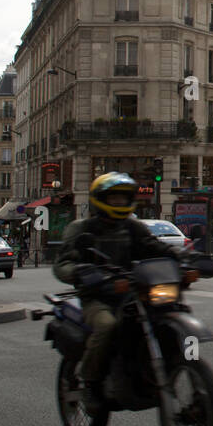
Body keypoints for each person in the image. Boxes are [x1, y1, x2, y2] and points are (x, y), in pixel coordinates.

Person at [55, 173, 181, 411]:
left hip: (131, 291)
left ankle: (173, 365)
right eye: (114, 199)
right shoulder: (82, 229)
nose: (119, 204)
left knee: (169, 313)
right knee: (107, 325)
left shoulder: (133, 227)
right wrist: (80, 272)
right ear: (100, 199)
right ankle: (90, 383)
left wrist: (181, 256)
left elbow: (154, 246)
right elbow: (62, 264)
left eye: (123, 199)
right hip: (97, 296)